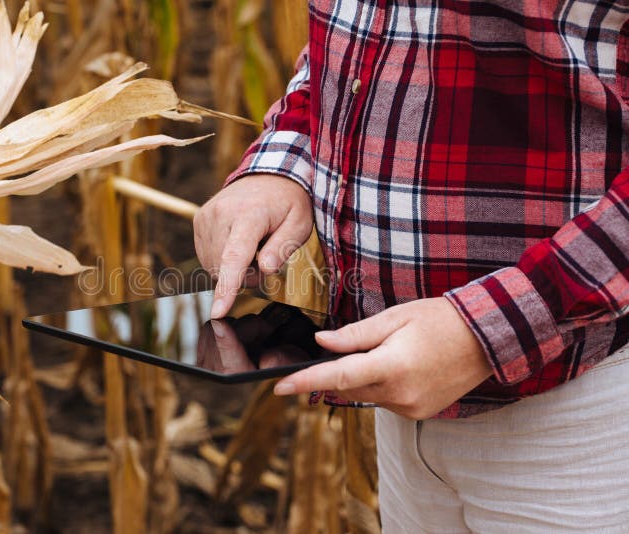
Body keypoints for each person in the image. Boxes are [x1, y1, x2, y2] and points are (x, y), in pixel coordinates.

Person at [194, 1, 629, 531]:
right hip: (404, 401)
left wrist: (488, 331)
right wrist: (285, 161)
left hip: (586, 406)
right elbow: (363, 36)